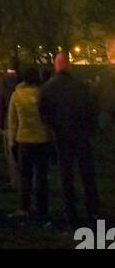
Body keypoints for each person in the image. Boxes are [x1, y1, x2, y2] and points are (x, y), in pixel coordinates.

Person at [39, 52, 101, 230]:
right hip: (81, 135)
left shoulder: (48, 88)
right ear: (69, 66)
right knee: (87, 174)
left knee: (66, 176)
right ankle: (92, 209)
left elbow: (44, 113)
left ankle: (70, 211)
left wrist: (53, 129)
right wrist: (89, 129)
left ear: (55, 66)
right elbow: (92, 109)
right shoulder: (80, 86)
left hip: (61, 137)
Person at [8, 66, 52, 224]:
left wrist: (12, 142)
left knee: (25, 176)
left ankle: (24, 207)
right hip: (42, 139)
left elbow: (12, 121)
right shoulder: (43, 94)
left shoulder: (17, 95)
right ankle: (43, 209)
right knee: (42, 177)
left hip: (24, 139)